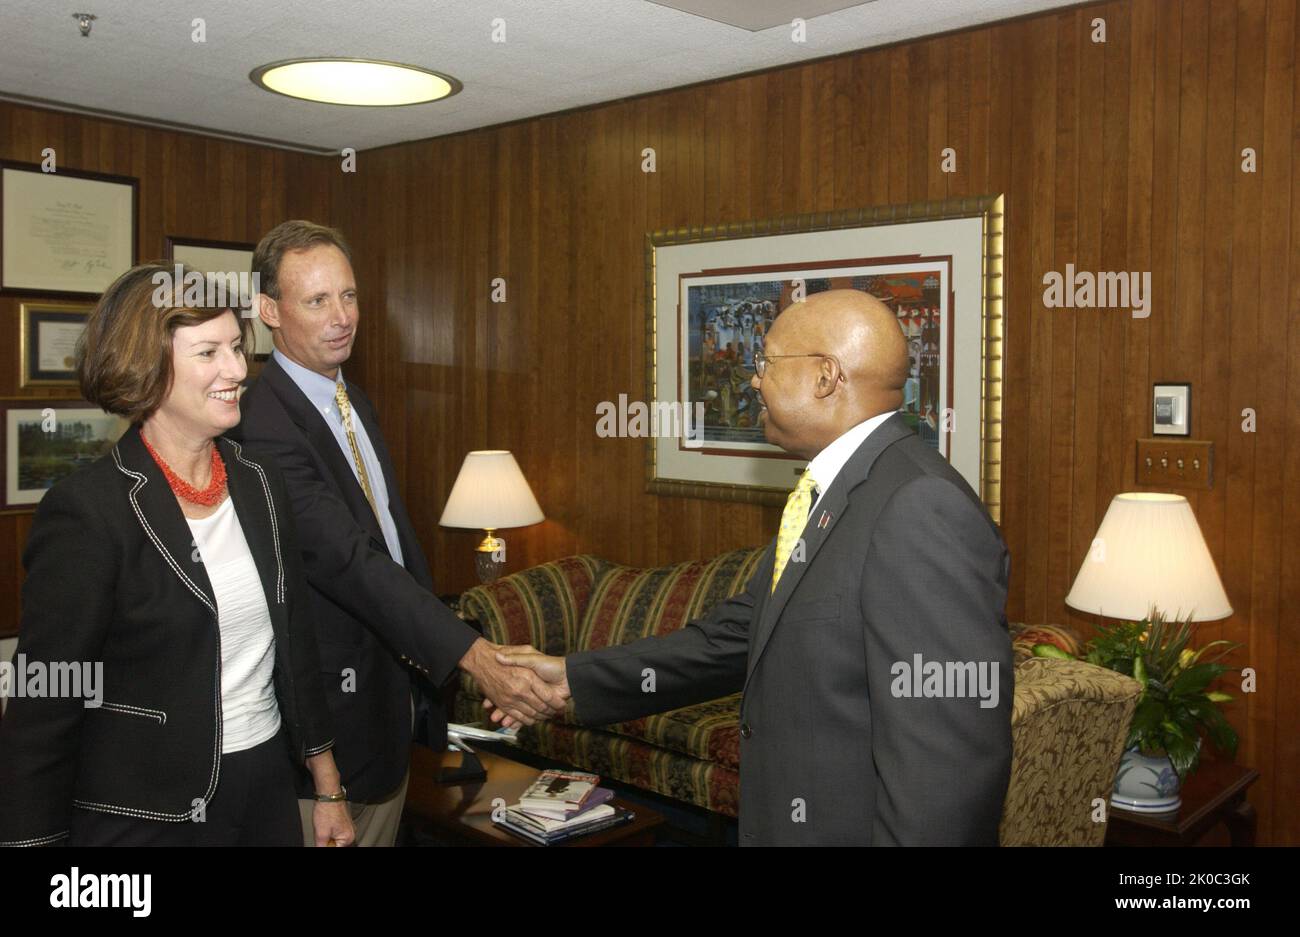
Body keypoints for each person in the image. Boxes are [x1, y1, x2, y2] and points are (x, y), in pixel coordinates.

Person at [488, 289, 1013, 846]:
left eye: (764, 361)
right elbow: (741, 636)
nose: (754, 379)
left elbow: (945, 773)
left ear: (825, 376)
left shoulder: (918, 505)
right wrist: (572, 676)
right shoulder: (833, 491)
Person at [230, 220, 562, 847]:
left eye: (349, 296)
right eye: (317, 300)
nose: (341, 317)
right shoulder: (261, 420)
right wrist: (473, 656)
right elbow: (348, 560)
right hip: (327, 737)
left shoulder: (354, 399)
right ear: (270, 310)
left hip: (390, 715)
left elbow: (391, 543)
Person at [0, 263, 354, 846]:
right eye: (208, 352)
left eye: (238, 348)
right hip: (144, 816)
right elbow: (45, 704)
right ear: (146, 368)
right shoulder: (89, 511)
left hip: (265, 788)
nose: (237, 370)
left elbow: (296, 647)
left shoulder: (261, 484)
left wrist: (328, 786)